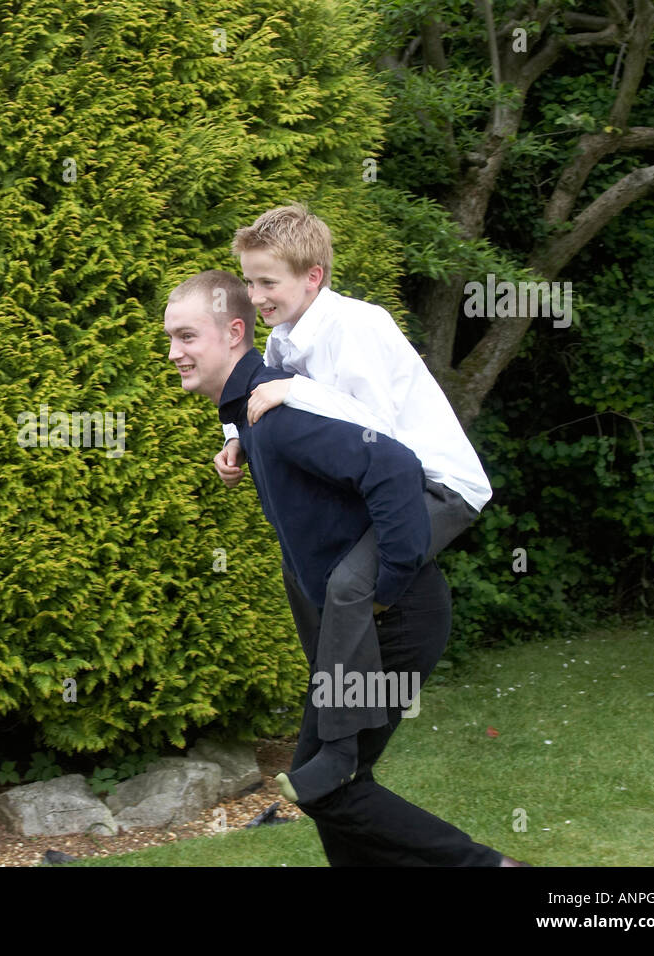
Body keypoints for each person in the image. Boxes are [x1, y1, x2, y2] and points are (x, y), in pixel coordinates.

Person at [166, 270, 519, 865]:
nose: (173, 353)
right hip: (368, 626)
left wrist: (385, 586)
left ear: (233, 333)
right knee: (333, 785)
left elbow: (393, 469)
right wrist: (236, 442)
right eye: (170, 339)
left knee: (327, 782)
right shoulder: (259, 410)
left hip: (392, 621)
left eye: (186, 337)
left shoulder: (282, 412)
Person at [215, 204, 491, 800]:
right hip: (387, 487)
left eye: (269, 282)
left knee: (349, 586)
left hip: (437, 485)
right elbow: (262, 400)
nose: (257, 296)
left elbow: (379, 434)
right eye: (250, 282)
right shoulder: (287, 337)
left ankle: (341, 752)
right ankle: (325, 721)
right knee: (308, 578)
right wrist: (236, 438)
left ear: (312, 276)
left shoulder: (358, 326)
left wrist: (297, 388)